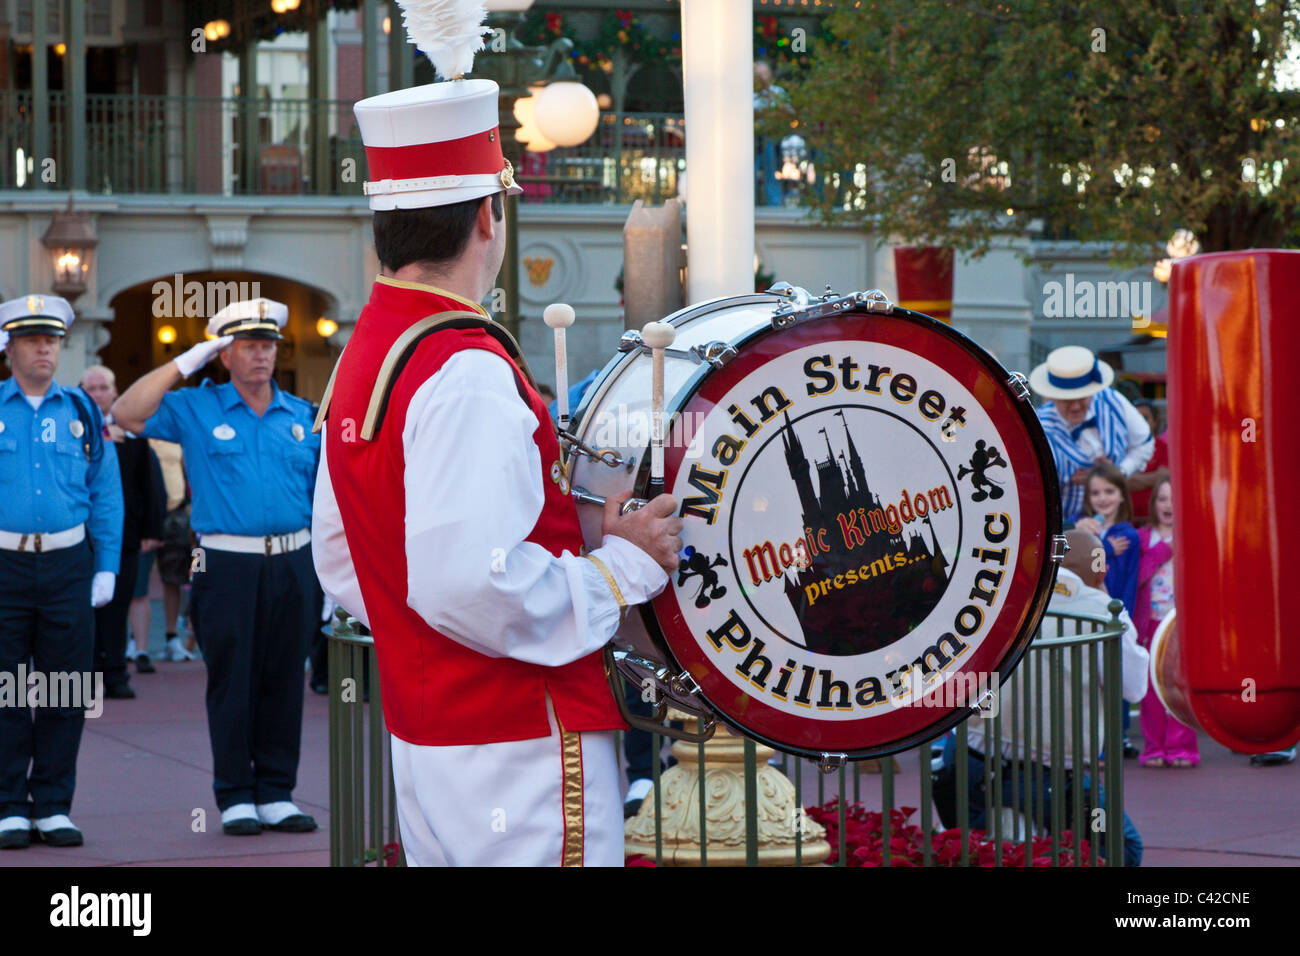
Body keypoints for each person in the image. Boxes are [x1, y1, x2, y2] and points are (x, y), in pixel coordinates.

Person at [311, 78, 681, 866]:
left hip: (431, 740)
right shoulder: (464, 367)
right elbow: (470, 584)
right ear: (488, 213)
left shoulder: (365, 354)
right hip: (521, 743)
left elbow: (345, 558)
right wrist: (622, 567)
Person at [111, 297, 321, 837]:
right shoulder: (197, 407)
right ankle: (234, 795)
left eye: (267, 345)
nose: (260, 356)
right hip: (224, 562)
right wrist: (185, 363)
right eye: (247, 347)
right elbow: (127, 414)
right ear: (224, 355)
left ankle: (276, 790)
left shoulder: (300, 415)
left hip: (293, 559)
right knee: (233, 680)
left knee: (283, 678)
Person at [939, 529, 1148, 867]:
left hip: (967, 763)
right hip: (1049, 776)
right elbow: (1133, 689)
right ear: (1101, 572)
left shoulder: (1002, 596)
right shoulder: (1103, 611)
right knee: (1124, 848)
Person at [0, 295, 123, 849]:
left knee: (63, 686)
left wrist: (108, 566)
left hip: (69, 562)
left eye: (51, 339)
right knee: (6, 687)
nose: (45, 347)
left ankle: (52, 802)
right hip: (3, 562)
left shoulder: (81, 410)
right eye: (31, 339)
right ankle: (7, 804)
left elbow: (106, 493)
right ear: (10, 348)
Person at [80, 365, 166, 698]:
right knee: (83, 611)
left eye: (104, 387)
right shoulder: (70, 431)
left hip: (125, 538)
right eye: (91, 388)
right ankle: (86, 678)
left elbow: (150, 485)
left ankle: (115, 674)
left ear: (116, 392)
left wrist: (151, 530)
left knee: (118, 607)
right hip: (79, 539)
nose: (97, 393)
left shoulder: (133, 437)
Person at [1031, 346, 1154, 524]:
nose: (1075, 407)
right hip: (1064, 529)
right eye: (1066, 400)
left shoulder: (1114, 402)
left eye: (1082, 397)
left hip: (1114, 523)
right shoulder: (1040, 426)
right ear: (1051, 396)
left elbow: (1144, 444)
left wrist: (1119, 471)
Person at [1135, 475, 1198, 769]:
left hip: (1182, 625)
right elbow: (1138, 576)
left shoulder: (1192, 534)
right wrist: (1161, 552)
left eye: (1173, 498)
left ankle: (1182, 746)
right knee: (1151, 688)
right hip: (1151, 623)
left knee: (1180, 685)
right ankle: (1154, 746)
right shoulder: (1145, 537)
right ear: (1153, 503)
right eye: (1162, 498)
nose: (1168, 505)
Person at [1074, 461, 1140, 617]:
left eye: (1109, 491)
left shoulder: (1128, 535)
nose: (1102, 498)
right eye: (1095, 493)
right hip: (1079, 606)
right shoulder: (1078, 523)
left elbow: (1130, 581)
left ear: (1122, 495)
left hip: (1111, 608)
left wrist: (1124, 616)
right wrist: (1106, 548)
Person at [1127, 399, 1169, 523]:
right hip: (1125, 521)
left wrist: (1130, 480)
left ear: (1155, 422)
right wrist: (1151, 479)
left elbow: (1163, 479)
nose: (1139, 422)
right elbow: (1115, 480)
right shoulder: (1120, 447)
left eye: (1145, 418)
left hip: (1154, 521)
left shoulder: (1163, 447)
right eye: (1134, 418)